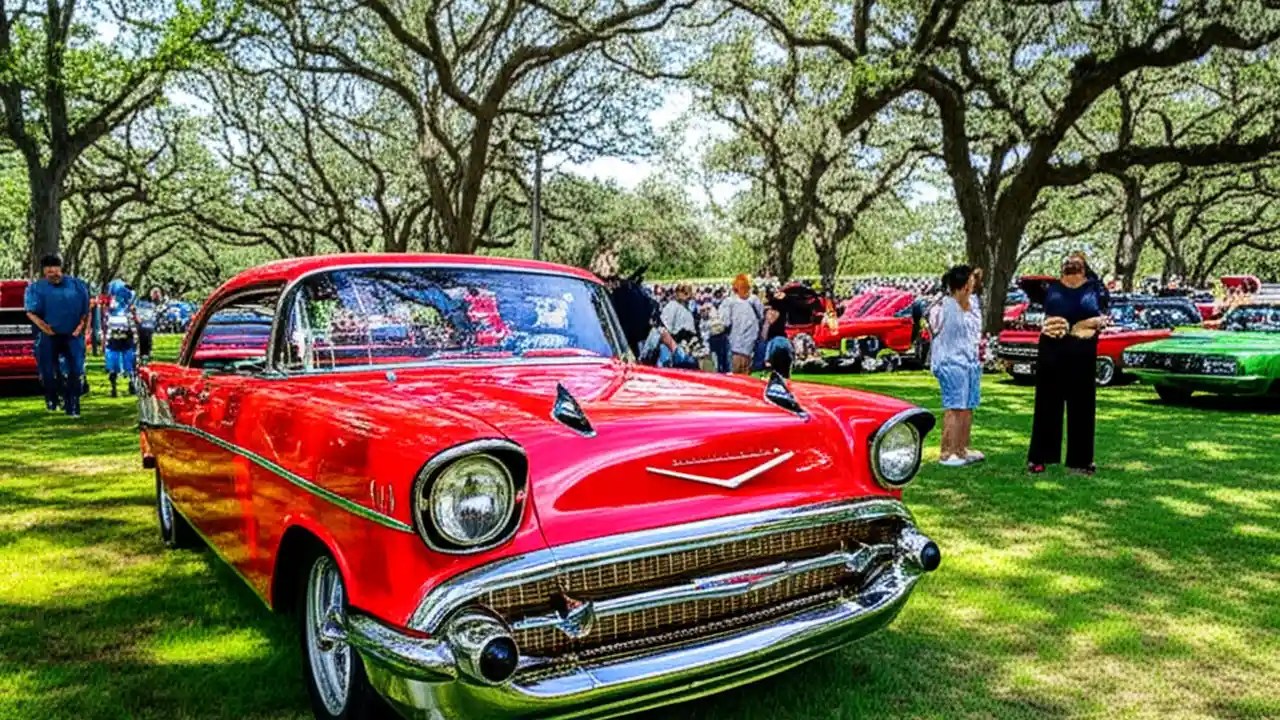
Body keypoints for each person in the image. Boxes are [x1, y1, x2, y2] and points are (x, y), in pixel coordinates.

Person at [1027, 251, 1110, 475]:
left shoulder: (1095, 288)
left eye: (1075, 261)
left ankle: (1081, 460)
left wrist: (1091, 323)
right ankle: (1040, 457)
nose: (1070, 263)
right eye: (1067, 261)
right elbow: (1025, 283)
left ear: (1084, 266)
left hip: (1082, 349)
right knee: (1046, 404)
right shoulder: (1050, 288)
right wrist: (1047, 324)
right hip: (1052, 348)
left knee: (1082, 405)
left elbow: (1105, 315)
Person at [930, 265, 984, 467]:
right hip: (951, 362)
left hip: (971, 362)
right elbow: (935, 329)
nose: (973, 285)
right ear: (962, 285)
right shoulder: (942, 307)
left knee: (968, 406)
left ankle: (962, 449)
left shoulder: (974, 305)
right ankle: (947, 452)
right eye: (970, 282)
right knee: (955, 407)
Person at [25, 255, 90, 417]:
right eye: (49, 272)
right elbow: (31, 313)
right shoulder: (36, 289)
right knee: (49, 372)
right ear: (44, 272)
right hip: (49, 335)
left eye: (55, 270)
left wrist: (81, 328)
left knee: (76, 369)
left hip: (72, 334)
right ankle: (52, 397)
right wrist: (44, 328)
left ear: (61, 269)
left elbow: (86, 310)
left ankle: (73, 404)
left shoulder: (77, 286)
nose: (53, 274)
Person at [720, 273, 763, 374]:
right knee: (746, 375)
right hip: (750, 346)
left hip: (734, 345)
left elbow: (725, 323)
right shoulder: (755, 300)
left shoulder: (729, 302)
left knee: (734, 376)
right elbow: (761, 316)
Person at [133, 287, 163, 361]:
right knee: (142, 339)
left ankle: (146, 355)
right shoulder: (142, 301)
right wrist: (136, 317)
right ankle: (142, 355)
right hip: (142, 323)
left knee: (148, 339)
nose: (156, 296)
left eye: (157, 294)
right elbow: (135, 309)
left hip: (149, 324)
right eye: (155, 293)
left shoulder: (156, 303)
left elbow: (157, 311)